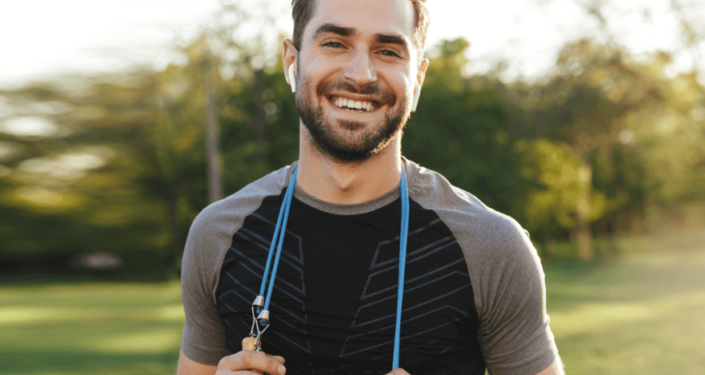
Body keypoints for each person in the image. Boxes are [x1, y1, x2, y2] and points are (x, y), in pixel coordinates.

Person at [173, 0, 562, 374]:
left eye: (388, 51)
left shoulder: (491, 247)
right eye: (334, 43)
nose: (361, 74)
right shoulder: (217, 234)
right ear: (293, 61)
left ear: (418, 79)